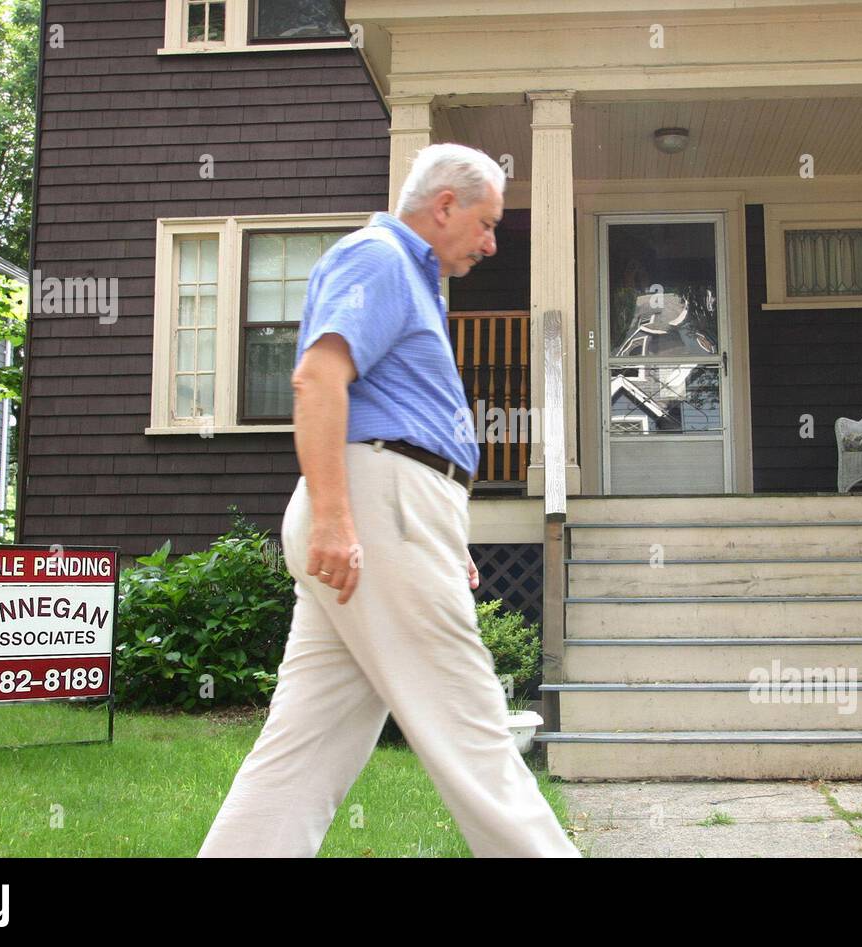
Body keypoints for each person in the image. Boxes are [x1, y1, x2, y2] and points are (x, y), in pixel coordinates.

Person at [197, 143, 582, 858]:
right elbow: (317, 380)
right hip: (373, 507)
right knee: (472, 727)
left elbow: (399, 416)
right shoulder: (379, 256)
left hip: (387, 508)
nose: (493, 242)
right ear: (444, 205)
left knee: (305, 748)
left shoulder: (409, 276)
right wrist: (344, 519)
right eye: (488, 222)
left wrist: (439, 531)